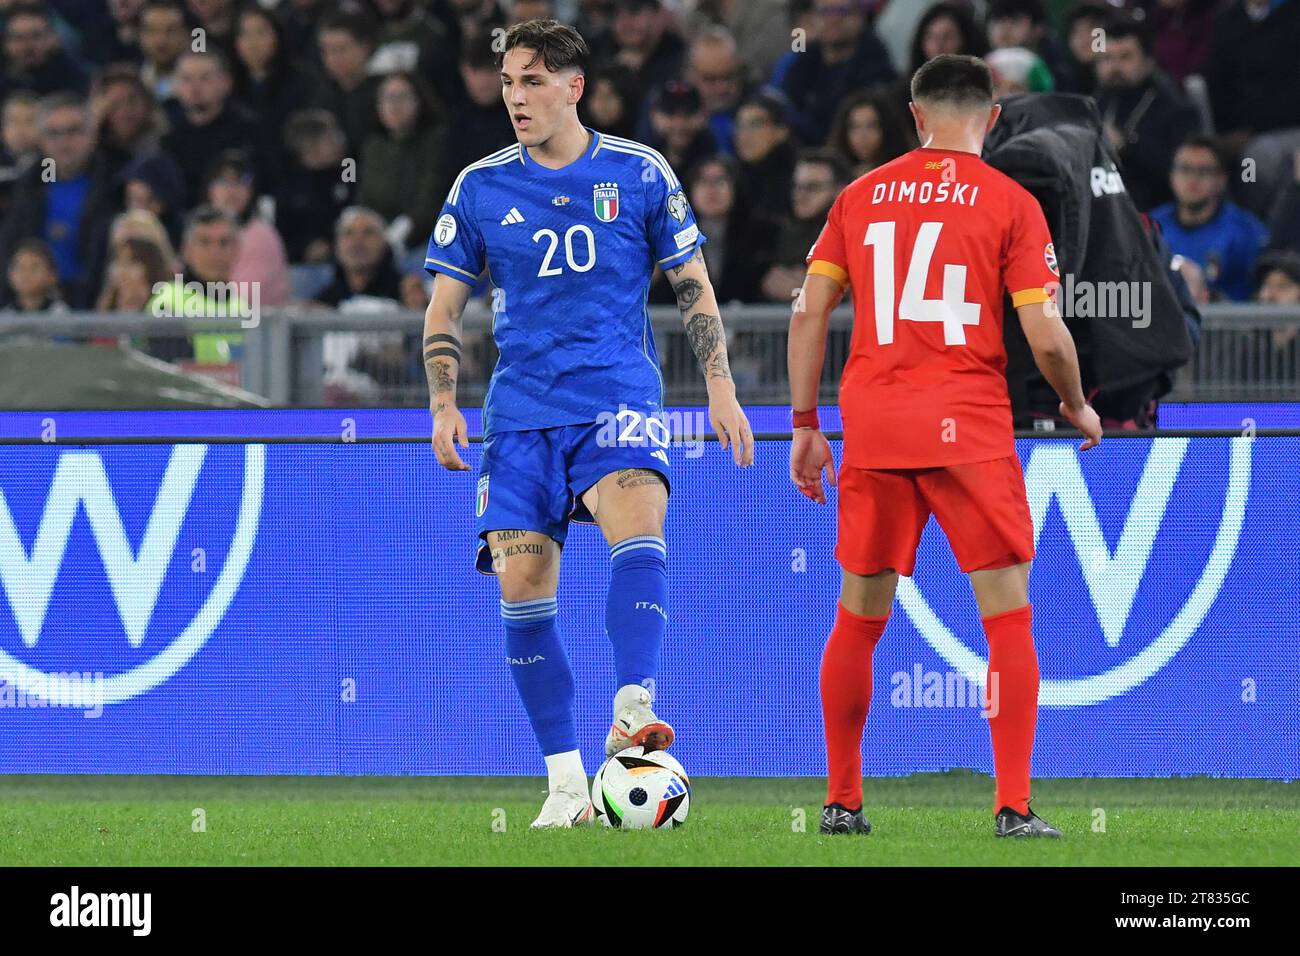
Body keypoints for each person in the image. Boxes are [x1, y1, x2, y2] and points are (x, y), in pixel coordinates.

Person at [423, 18, 752, 828]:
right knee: (524, 586)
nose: (515, 98)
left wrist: (720, 387)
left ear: (575, 86)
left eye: (532, 81)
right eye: (507, 82)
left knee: (640, 522)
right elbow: (444, 304)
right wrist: (441, 401)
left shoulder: (639, 173)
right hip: (521, 416)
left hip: (618, 400)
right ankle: (567, 784)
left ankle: (635, 704)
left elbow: (692, 284)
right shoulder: (479, 186)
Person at [787, 53, 1102, 839]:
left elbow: (806, 311)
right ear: (992, 119)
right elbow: (1045, 333)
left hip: (877, 426)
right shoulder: (1011, 201)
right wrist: (1075, 402)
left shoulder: (857, 198)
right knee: (1007, 617)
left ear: (915, 116)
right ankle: (1013, 806)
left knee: (858, 616)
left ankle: (841, 802)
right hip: (970, 428)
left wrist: (803, 423)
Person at [1151, 134, 1269, 302]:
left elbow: (1263, 290)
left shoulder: (1246, 231)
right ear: (1171, 176)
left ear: (1221, 179)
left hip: (1228, 325)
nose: (1192, 179)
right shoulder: (1152, 226)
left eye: (1203, 171)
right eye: (1184, 169)